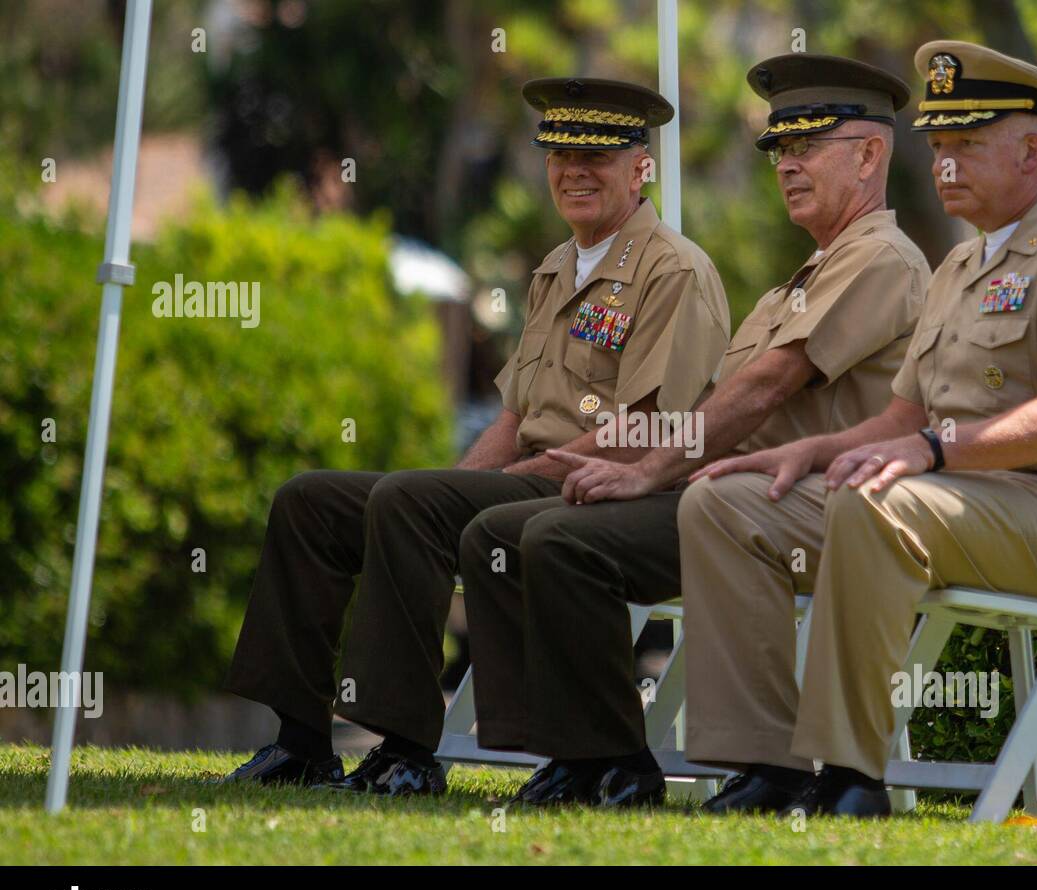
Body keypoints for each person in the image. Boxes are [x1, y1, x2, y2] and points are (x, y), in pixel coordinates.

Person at [219, 77, 729, 794]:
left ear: (641, 166)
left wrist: (479, 489)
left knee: (411, 501)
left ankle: (404, 750)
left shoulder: (672, 269)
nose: (575, 171)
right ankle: (301, 740)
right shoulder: (555, 269)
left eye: (599, 157)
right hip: (527, 479)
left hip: (608, 491)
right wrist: (455, 485)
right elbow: (513, 420)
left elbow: (651, 429)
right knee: (312, 501)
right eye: (560, 154)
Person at [682, 40, 1037, 817]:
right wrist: (810, 449)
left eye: (967, 145)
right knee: (725, 506)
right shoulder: (959, 268)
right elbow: (903, 417)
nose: (944, 165)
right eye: (937, 146)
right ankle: (767, 764)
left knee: (871, 504)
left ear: (1033, 149)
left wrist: (933, 450)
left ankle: (850, 775)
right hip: (950, 506)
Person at [461, 54, 929, 808]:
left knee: (558, 538)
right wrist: (644, 461)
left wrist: (646, 470)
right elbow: (722, 404)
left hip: (794, 507)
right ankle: (583, 755)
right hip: (734, 493)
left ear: (871, 154)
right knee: (518, 528)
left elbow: (765, 388)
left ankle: (648, 763)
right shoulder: (807, 274)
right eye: (780, 150)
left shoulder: (879, 259)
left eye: (808, 147)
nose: (788, 166)